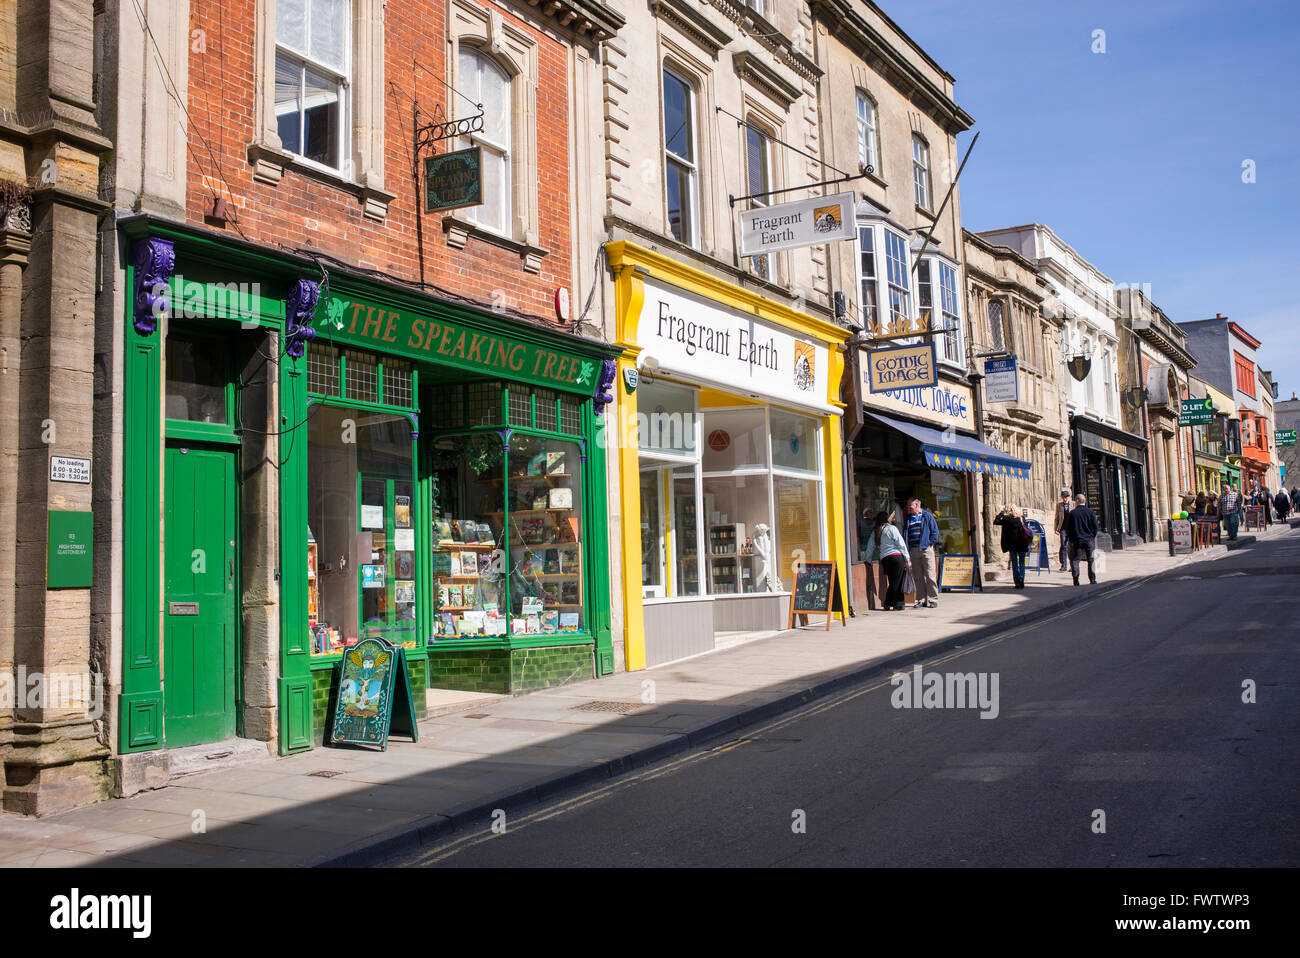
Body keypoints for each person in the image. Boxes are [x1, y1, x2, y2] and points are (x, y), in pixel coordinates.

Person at [865, 510, 910, 611]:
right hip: (897, 557)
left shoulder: (876, 530)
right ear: (886, 519)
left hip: (885, 559)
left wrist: (868, 559)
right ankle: (894, 603)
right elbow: (901, 543)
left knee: (893, 581)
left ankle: (893, 603)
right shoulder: (892, 528)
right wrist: (907, 557)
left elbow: (870, 547)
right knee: (897, 581)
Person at [904, 496, 940, 609]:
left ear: (917, 505)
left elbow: (935, 531)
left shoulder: (927, 516)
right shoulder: (908, 518)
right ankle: (921, 599)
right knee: (918, 577)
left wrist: (929, 543)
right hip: (913, 550)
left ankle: (933, 599)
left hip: (926, 549)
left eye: (910, 506)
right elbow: (905, 532)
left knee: (930, 575)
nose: (908, 508)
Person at [1064, 493, 1099, 586]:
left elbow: (1068, 529)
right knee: (1091, 560)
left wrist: (1071, 539)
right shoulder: (1090, 512)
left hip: (1077, 540)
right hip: (1089, 540)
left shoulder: (1072, 513)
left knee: (1075, 560)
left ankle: (1076, 579)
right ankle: (1092, 579)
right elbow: (1095, 527)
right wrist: (1092, 537)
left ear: (1077, 501)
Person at [994, 504, 1030, 589]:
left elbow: (996, 521)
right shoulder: (1021, 518)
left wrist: (1001, 513)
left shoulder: (1006, 519)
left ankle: (1017, 583)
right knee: (1021, 563)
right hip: (1022, 543)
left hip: (1012, 545)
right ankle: (1021, 577)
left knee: (1014, 563)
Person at [1052, 488, 1071, 573]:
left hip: (1071, 528)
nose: (1065, 498)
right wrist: (1056, 529)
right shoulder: (1059, 505)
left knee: (1071, 547)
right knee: (1064, 545)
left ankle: (1072, 565)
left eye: (1066, 497)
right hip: (1062, 528)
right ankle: (1064, 565)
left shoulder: (1072, 505)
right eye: (1063, 497)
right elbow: (1056, 518)